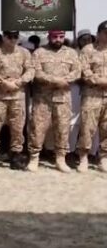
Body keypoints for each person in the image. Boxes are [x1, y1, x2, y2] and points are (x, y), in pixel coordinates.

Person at [28, 30, 81, 172]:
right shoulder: (39, 52)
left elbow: (77, 71)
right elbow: (36, 72)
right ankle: (34, 157)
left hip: (63, 98)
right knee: (38, 128)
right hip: (43, 99)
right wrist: (55, 80)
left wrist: (66, 80)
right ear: (49, 37)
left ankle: (60, 158)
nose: (58, 39)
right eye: (55, 37)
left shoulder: (71, 53)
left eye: (61, 37)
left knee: (63, 128)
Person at [0, 30, 34, 170]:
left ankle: (15, 157)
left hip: (17, 95)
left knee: (17, 127)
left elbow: (30, 70)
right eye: (10, 37)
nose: (13, 39)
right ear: (4, 37)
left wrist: (19, 82)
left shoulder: (24, 52)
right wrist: (3, 83)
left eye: (15, 37)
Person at [78, 20, 107, 173]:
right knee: (87, 127)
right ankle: (83, 157)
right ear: (99, 33)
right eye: (106, 33)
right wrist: (100, 81)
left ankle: (103, 157)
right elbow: (84, 71)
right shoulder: (88, 50)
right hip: (92, 95)